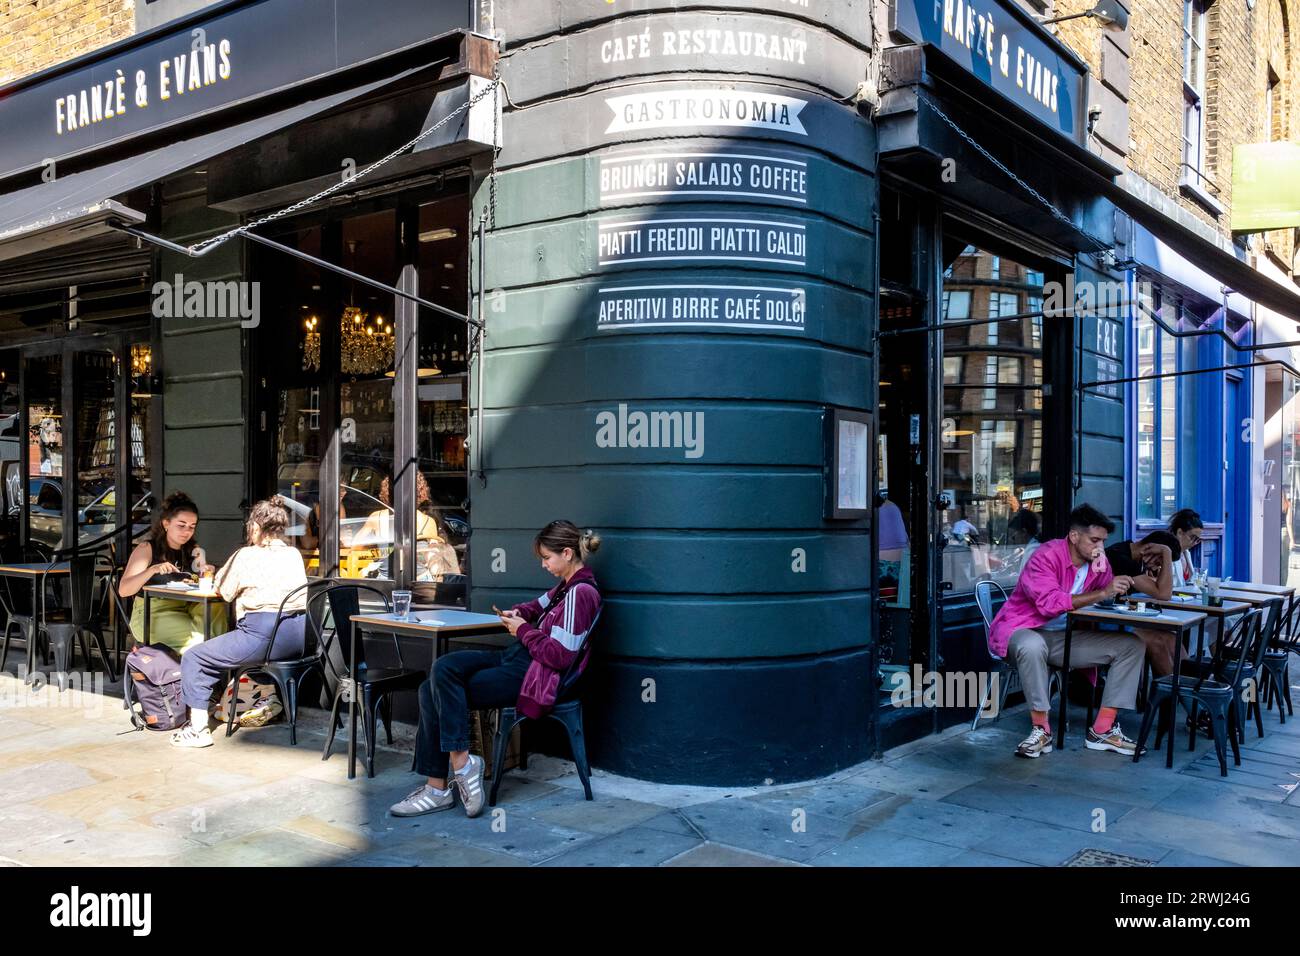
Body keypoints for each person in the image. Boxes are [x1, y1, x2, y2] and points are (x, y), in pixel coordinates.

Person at [389, 520, 602, 819]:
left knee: (429, 690)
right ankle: (462, 765)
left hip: (536, 676)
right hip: (519, 657)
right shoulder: (564, 588)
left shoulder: (582, 593)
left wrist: (524, 631)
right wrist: (519, 615)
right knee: (444, 667)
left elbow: (561, 657)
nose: (543, 565)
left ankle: (440, 786)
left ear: (567, 553)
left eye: (546, 558)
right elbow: (534, 607)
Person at [988, 504, 1146, 759]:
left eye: (1104, 541)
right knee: (1032, 646)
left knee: (1132, 645)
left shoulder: (1097, 562)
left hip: (1064, 638)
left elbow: (1103, 596)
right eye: (1095, 540)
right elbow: (1049, 604)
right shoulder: (1044, 556)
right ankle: (1041, 730)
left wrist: (1112, 585)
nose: (1100, 547)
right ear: (1074, 536)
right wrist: (1103, 592)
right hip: (1022, 630)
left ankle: (1103, 730)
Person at [170, 497, 309, 749]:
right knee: (229, 652)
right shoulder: (294, 554)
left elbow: (223, 590)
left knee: (195, 657)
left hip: (262, 636)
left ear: (255, 528)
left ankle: (198, 730)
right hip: (298, 636)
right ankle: (255, 701)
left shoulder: (246, 555)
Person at [117, 492, 225, 655]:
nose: (186, 531)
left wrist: (207, 572)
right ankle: (203, 666)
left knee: (216, 613)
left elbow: (201, 581)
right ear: (166, 523)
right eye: (181, 525)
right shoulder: (148, 548)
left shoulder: (194, 551)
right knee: (200, 641)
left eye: (192, 526)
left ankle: (208, 663)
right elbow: (124, 590)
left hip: (186, 607)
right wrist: (152, 570)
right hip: (153, 612)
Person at [1104, 531, 1182, 677]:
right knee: (1157, 642)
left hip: (1122, 618)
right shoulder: (1120, 557)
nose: (1159, 567)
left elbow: (1160, 588)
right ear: (1150, 549)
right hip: (1103, 620)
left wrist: (1160, 562)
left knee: (1172, 638)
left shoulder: (1133, 555)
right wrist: (1166, 552)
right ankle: (1172, 697)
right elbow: (1164, 594)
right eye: (1160, 562)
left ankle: (1190, 690)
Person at [354, 474, 458, 580]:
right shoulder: (428, 521)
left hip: (385, 581)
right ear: (419, 492)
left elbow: (356, 545)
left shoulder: (377, 517)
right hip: (419, 580)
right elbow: (433, 558)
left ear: (388, 492)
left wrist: (376, 556)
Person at [1167, 508, 1204, 588]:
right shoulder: (1166, 553)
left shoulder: (1185, 553)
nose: (1195, 543)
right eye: (1192, 538)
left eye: (1197, 539)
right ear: (1180, 533)